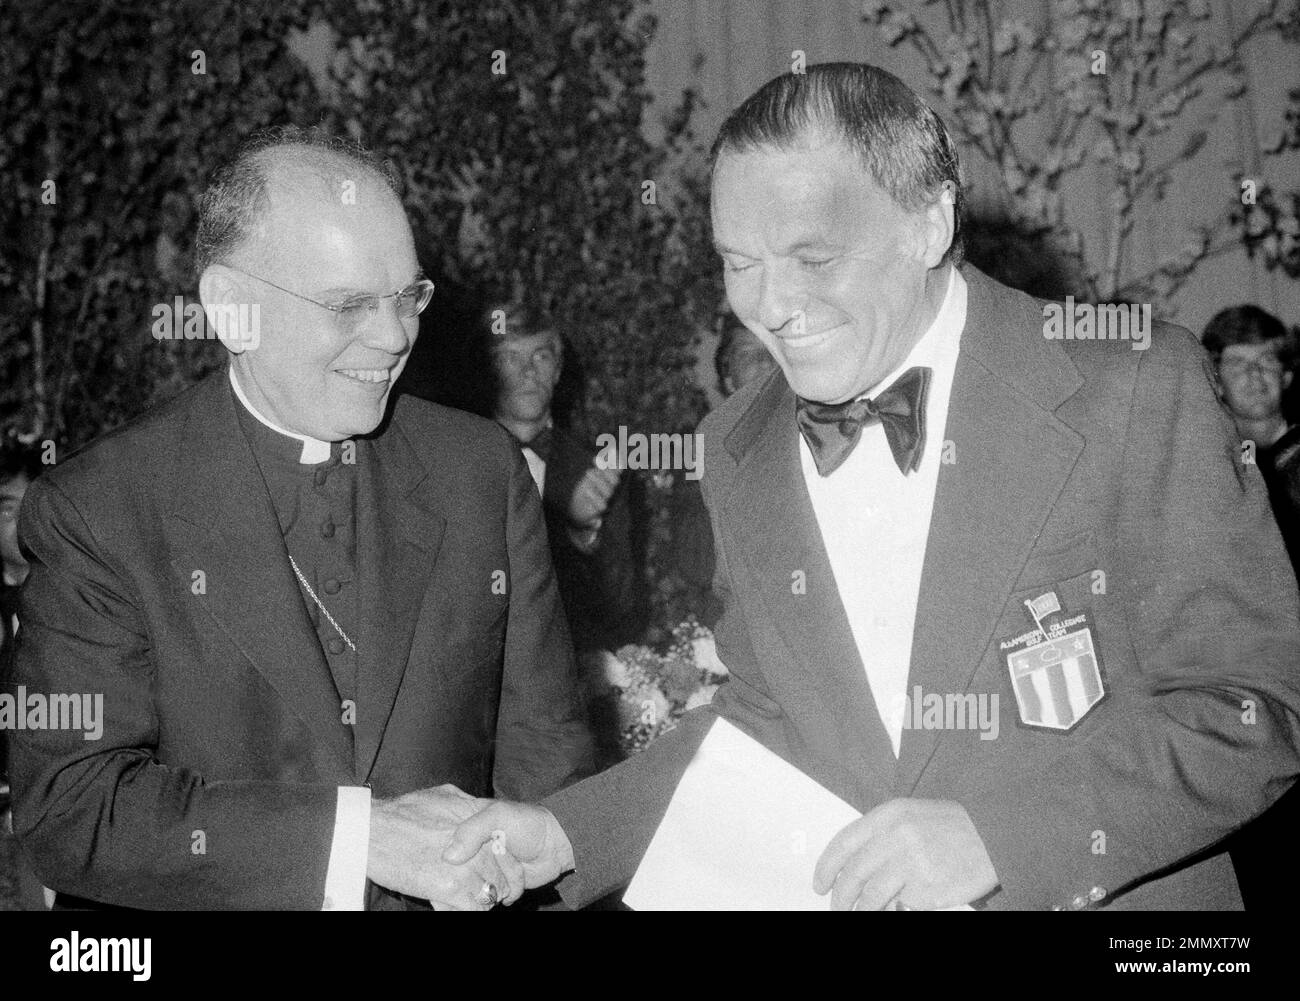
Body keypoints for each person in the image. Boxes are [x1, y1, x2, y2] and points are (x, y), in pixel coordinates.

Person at [447, 62, 1300, 911]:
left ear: (928, 223)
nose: (772, 305)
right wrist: (566, 833)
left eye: (812, 257)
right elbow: (764, 720)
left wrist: (1001, 837)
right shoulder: (737, 446)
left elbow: (1256, 707)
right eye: (738, 262)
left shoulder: (1134, 386)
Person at [5, 128, 594, 910]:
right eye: (349, 304)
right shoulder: (102, 508)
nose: (393, 337)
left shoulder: (479, 471)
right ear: (231, 308)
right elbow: (73, 806)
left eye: (408, 296)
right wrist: (357, 837)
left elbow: (549, 772)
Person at [490, 318, 645, 651]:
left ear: (558, 372)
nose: (528, 371)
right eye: (511, 357)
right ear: (489, 373)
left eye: (541, 357)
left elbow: (621, 605)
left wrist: (581, 530)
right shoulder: (458, 462)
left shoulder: (594, 470)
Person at [1202, 305, 1300, 573]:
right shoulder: (1212, 468)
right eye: (1237, 364)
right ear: (1217, 383)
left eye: (1266, 360)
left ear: (1286, 374)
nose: (1254, 374)